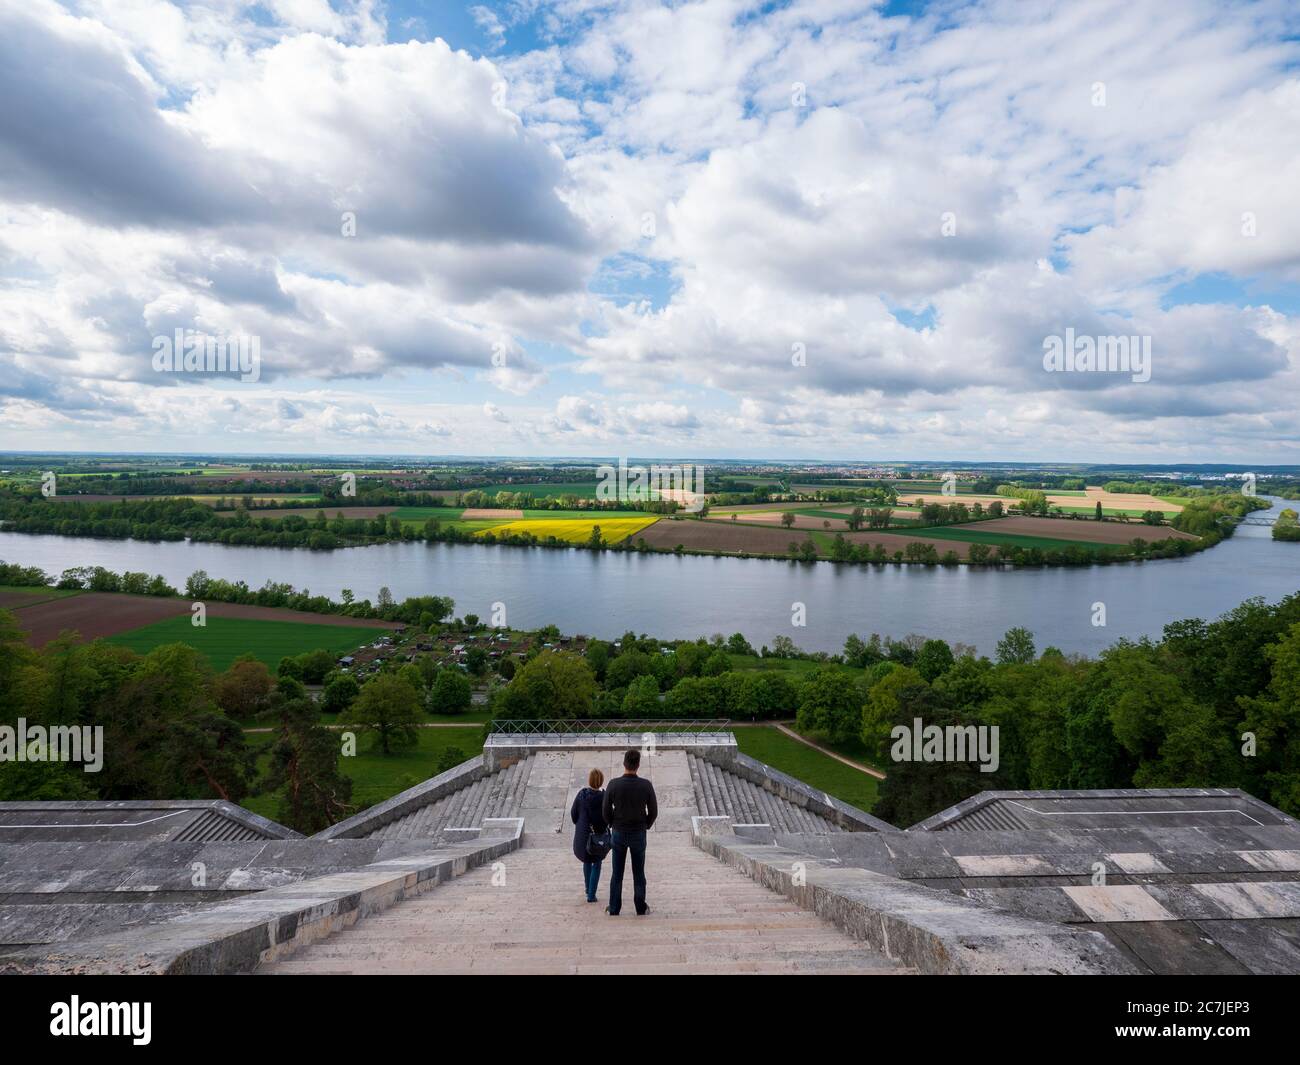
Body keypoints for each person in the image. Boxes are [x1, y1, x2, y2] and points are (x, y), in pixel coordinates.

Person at [602, 748, 657, 916]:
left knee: (616, 873)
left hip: (619, 832)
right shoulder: (646, 785)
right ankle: (640, 907)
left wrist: (612, 823)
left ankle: (614, 908)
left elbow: (605, 811)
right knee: (639, 873)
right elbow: (653, 811)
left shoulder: (613, 784)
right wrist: (646, 825)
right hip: (638, 832)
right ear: (638, 765)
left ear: (624, 763)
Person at [570, 768, 607, 903]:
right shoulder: (604, 797)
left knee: (586, 861)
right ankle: (591, 894)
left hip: (584, 835)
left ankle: (587, 889)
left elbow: (574, 814)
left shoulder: (582, 795)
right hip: (599, 837)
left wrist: (580, 825)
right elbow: (608, 817)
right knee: (597, 863)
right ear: (601, 781)